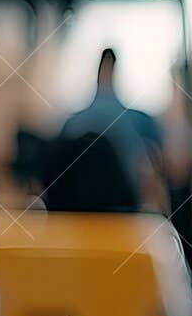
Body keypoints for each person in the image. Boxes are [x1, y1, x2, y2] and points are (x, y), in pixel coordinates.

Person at [58, 48, 166, 209]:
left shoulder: (72, 124)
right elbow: (163, 167)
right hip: (126, 212)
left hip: (75, 214)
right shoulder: (140, 121)